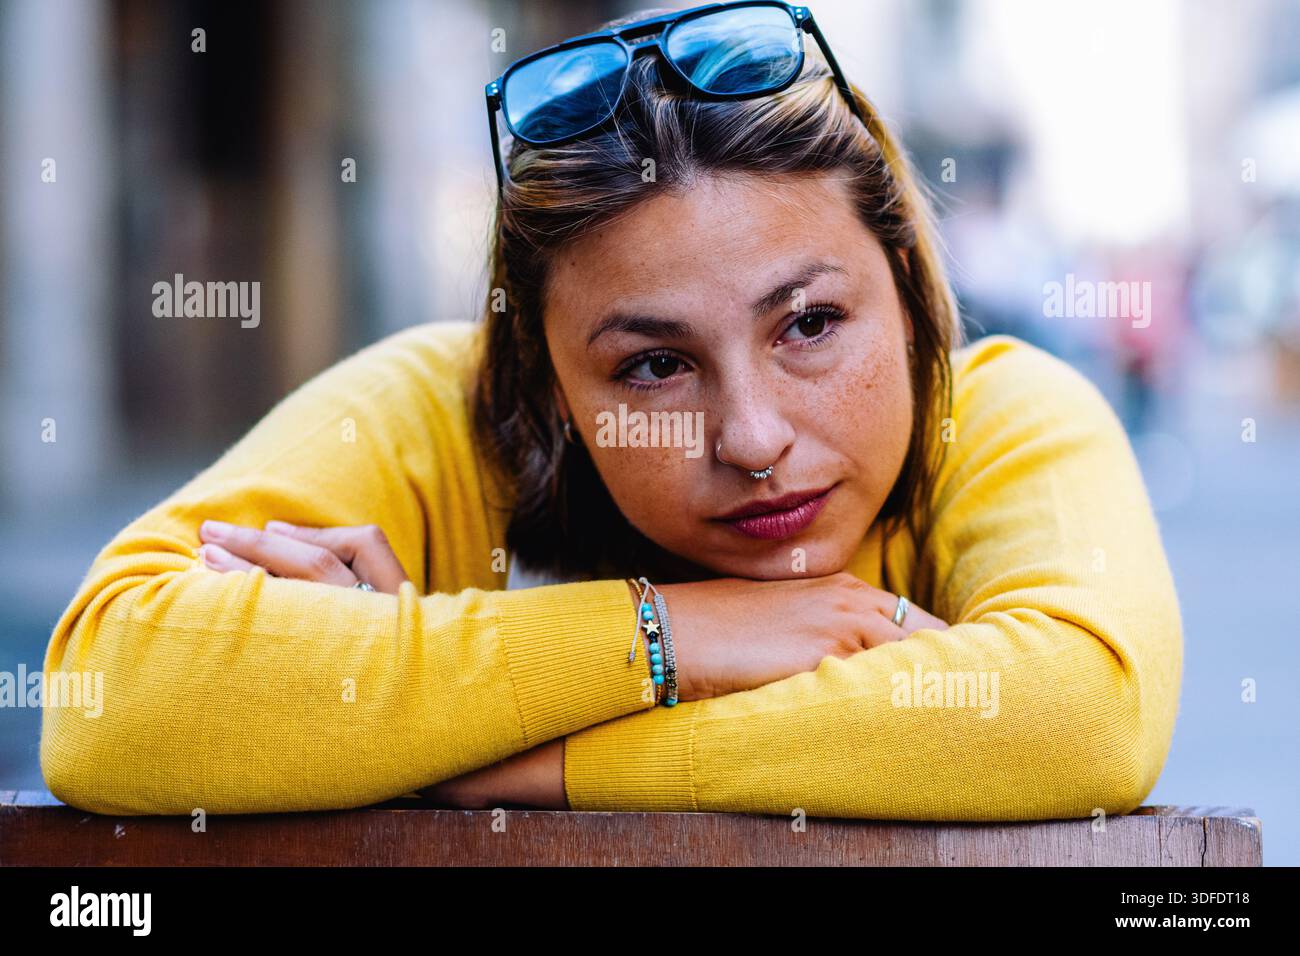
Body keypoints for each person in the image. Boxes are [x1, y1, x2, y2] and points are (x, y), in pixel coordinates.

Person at [40, 2, 1182, 819]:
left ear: (907, 286)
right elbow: (112, 699)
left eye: (810, 325)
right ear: (542, 379)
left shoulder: (993, 418)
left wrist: (525, 758)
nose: (752, 437)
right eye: (651, 367)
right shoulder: (439, 412)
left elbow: (1077, 708)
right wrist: (671, 634)